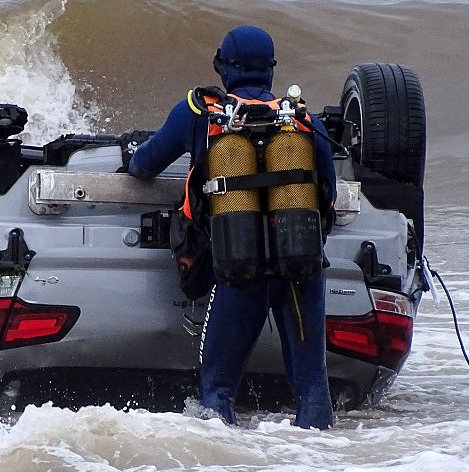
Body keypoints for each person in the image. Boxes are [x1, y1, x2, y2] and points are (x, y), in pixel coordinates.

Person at [127, 25, 337, 429]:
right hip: (301, 270)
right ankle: (321, 463)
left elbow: (144, 165)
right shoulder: (303, 119)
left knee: (218, 389)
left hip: (239, 271)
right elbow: (325, 192)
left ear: (222, 66)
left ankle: (225, 465)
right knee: (312, 386)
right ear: (272, 69)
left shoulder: (199, 112)